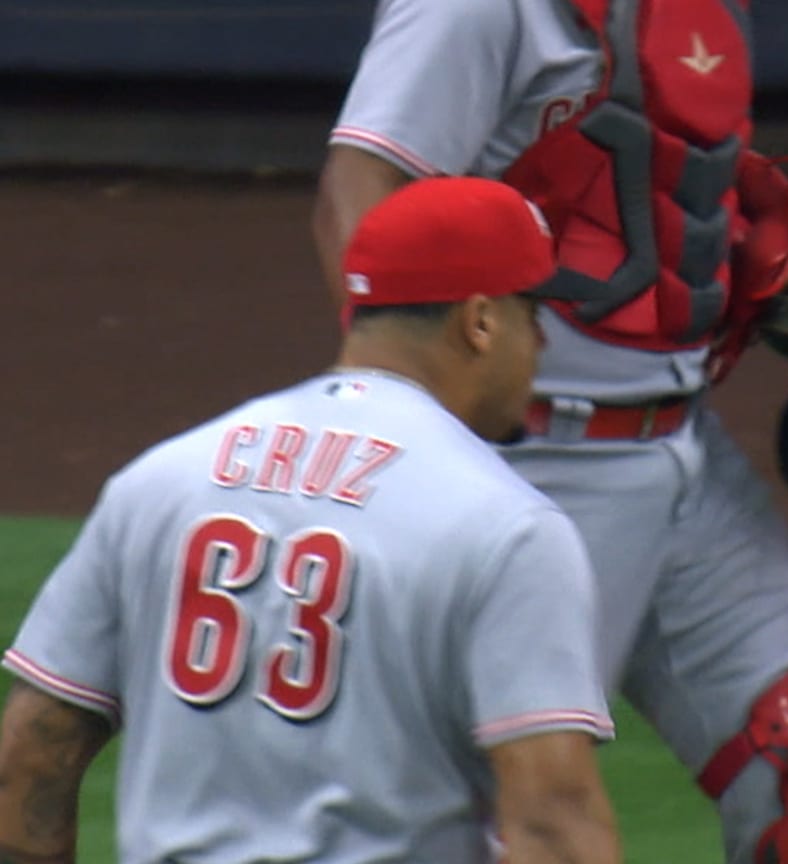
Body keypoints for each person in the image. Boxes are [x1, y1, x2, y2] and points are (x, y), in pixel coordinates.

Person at [312, 2, 788, 862]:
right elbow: (359, 195)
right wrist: (407, 428)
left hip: (684, 457)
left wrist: (775, 282)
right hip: (520, 468)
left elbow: (657, 188)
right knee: (480, 830)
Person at [0, 177, 623, 864]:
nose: (541, 344)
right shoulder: (507, 526)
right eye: (533, 313)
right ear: (479, 322)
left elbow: (30, 760)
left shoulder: (159, 482)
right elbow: (552, 824)